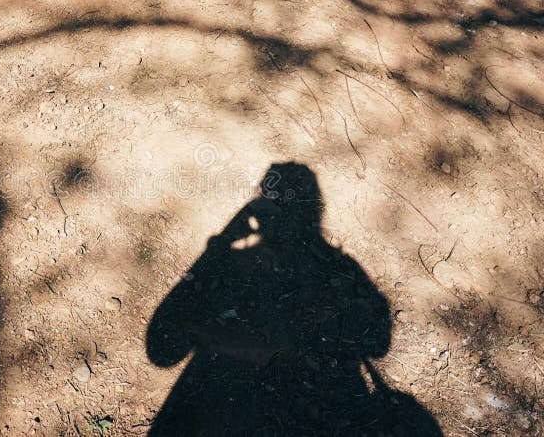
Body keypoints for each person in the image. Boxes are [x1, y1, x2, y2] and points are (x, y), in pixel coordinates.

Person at [146, 162, 441, 436]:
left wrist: (220, 245)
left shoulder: (322, 268)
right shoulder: (339, 267)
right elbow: (378, 343)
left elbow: (161, 352)